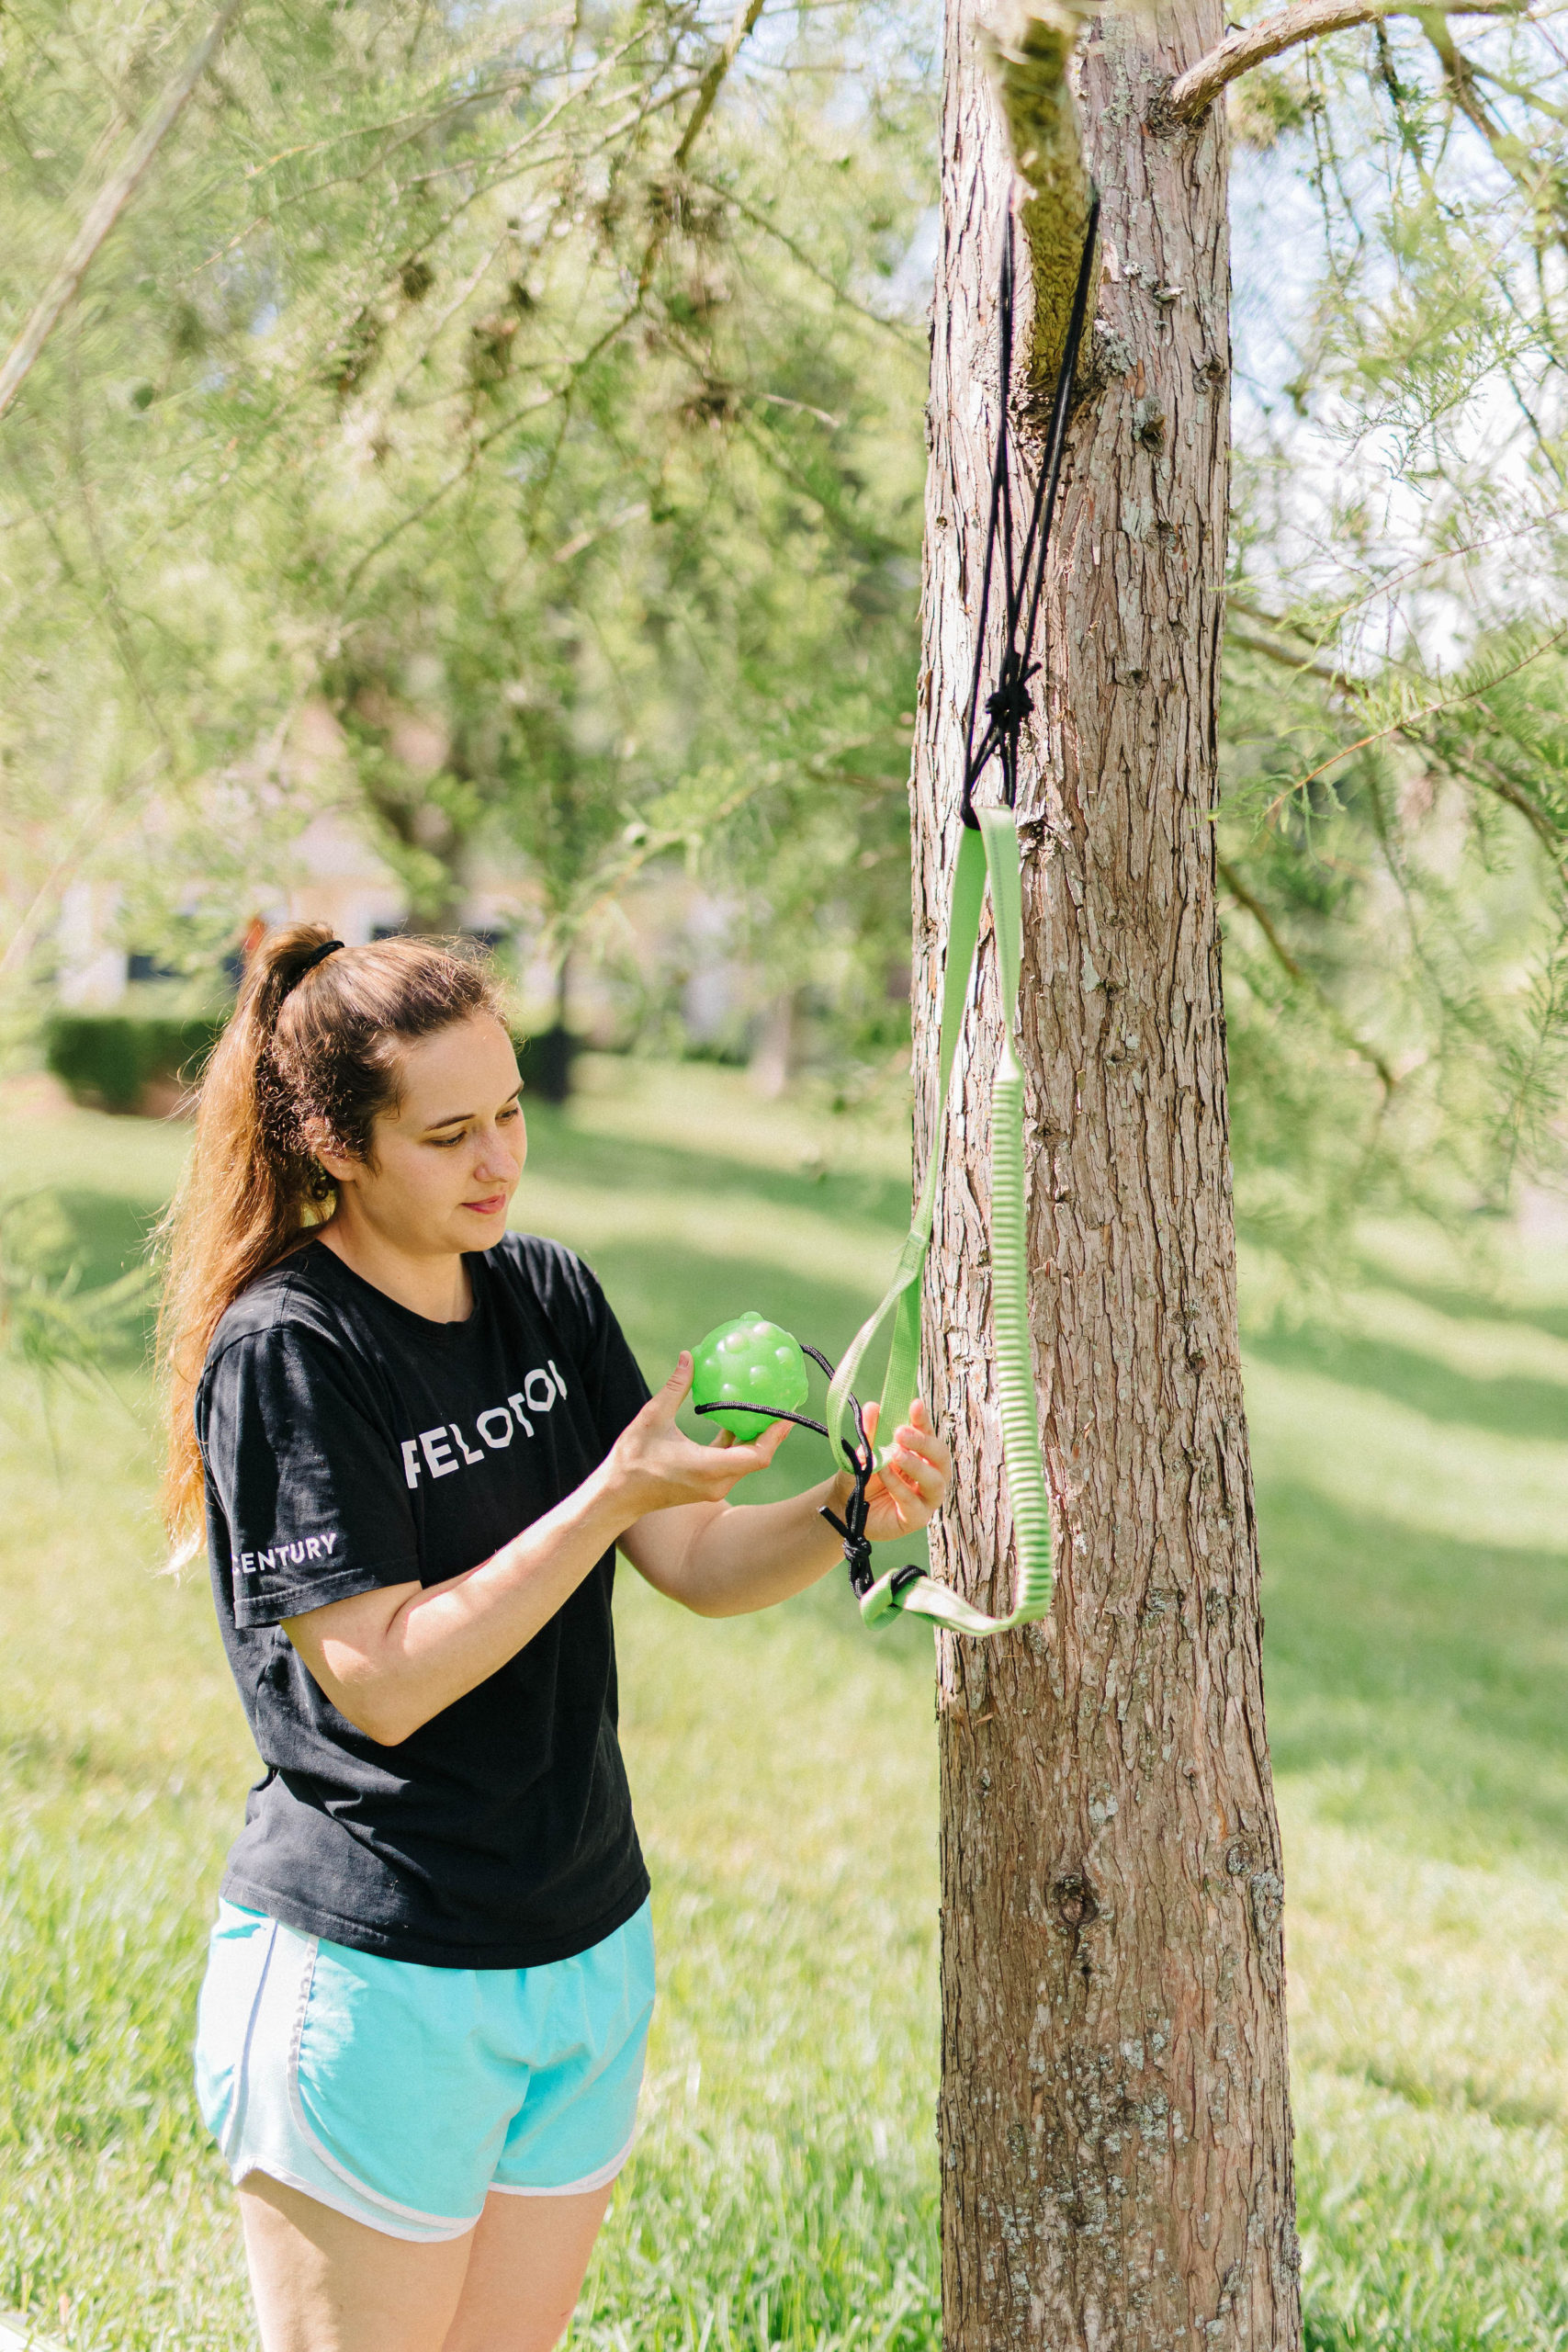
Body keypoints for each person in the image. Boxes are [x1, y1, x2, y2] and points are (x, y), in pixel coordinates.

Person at [158, 924, 953, 2352]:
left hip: (581, 1950)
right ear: (339, 1147)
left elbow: (690, 1558)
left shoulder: (547, 1294)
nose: (497, 1161)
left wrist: (848, 1510)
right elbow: (379, 1681)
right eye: (447, 1132)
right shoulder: (290, 1350)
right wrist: (603, 1497)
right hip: (378, 1974)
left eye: (512, 1111)